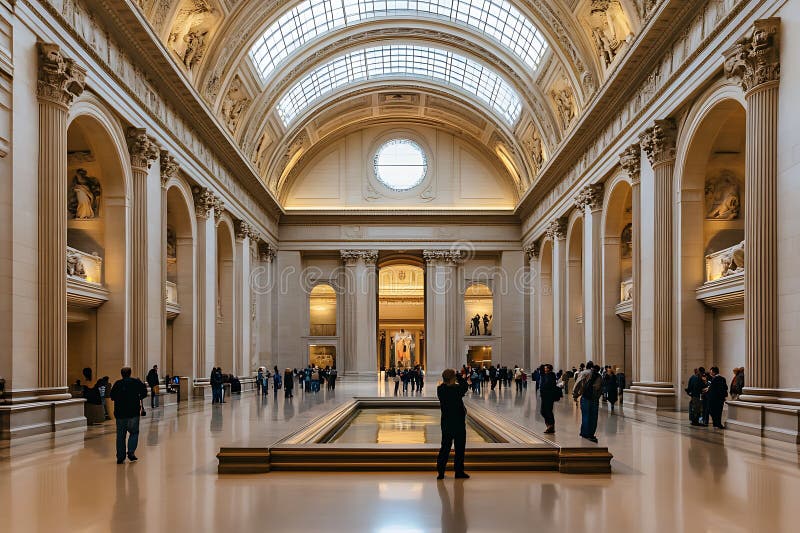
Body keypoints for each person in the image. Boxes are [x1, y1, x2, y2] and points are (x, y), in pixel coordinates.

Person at [436, 369, 470, 480]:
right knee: (459, 448)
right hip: (458, 423)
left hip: (446, 422)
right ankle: (459, 471)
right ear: (453, 378)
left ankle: (441, 471)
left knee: (445, 447)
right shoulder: (457, 389)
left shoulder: (440, 389)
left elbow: (448, 386)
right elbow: (465, 385)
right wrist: (459, 376)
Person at [109, 367, 147, 464]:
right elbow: (144, 393)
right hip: (133, 412)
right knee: (134, 432)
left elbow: (112, 396)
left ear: (121, 374)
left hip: (120, 413)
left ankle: (120, 457)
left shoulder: (118, 383)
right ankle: (131, 452)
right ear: (130, 373)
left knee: (120, 436)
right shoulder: (136, 382)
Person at [573, 362, 602, 442]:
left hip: (585, 397)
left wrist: (575, 395)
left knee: (586, 416)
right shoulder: (599, 376)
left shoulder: (584, 373)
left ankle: (585, 433)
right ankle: (591, 434)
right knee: (593, 416)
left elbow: (577, 384)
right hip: (594, 399)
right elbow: (600, 388)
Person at [539, 364, 560, 433]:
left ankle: (551, 426)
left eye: (546, 368)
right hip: (544, 396)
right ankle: (549, 425)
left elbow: (547, 384)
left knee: (548, 410)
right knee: (543, 411)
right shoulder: (545, 375)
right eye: (544, 368)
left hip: (549, 396)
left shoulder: (551, 375)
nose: (544, 369)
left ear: (549, 369)